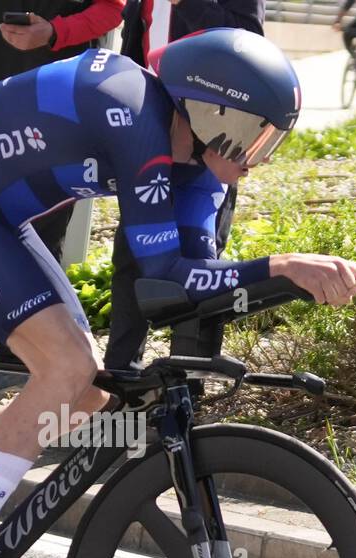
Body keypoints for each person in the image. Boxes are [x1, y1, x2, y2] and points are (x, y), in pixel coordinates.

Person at [0, 28, 356, 558]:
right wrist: (280, 266)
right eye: (253, 134)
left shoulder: (201, 169)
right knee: (64, 369)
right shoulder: (133, 109)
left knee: (82, 392)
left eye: (270, 143)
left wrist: (283, 279)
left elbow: (187, 283)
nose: (253, 157)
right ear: (210, 107)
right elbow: (160, 275)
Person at [0, 0, 124, 399]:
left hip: (66, 103)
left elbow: (112, 10)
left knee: (38, 229)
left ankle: (20, 358)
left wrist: (54, 32)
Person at [108, 0, 266, 373]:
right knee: (131, 260)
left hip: (210, 141)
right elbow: (134, 51)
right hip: (151, 136)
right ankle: (121, 380)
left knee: (199, 266)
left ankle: (186, 393)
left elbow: (246, 43)